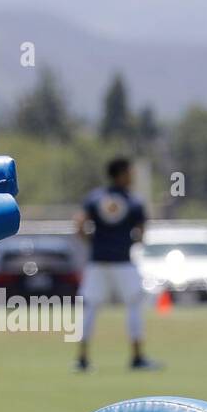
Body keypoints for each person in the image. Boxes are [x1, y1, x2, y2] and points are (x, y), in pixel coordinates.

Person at [75, 157, 157, 371]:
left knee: (90, 308)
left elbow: (80, 225)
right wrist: (128, 241)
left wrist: (94, 243)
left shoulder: (95, 198)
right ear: (121, 174)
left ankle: (82, 358)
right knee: (134, 307)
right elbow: (141, 233)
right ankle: (137, 357)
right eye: (129, 172)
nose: (132, 176)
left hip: (97, 261)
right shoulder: (134, 200)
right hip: (123, 262)